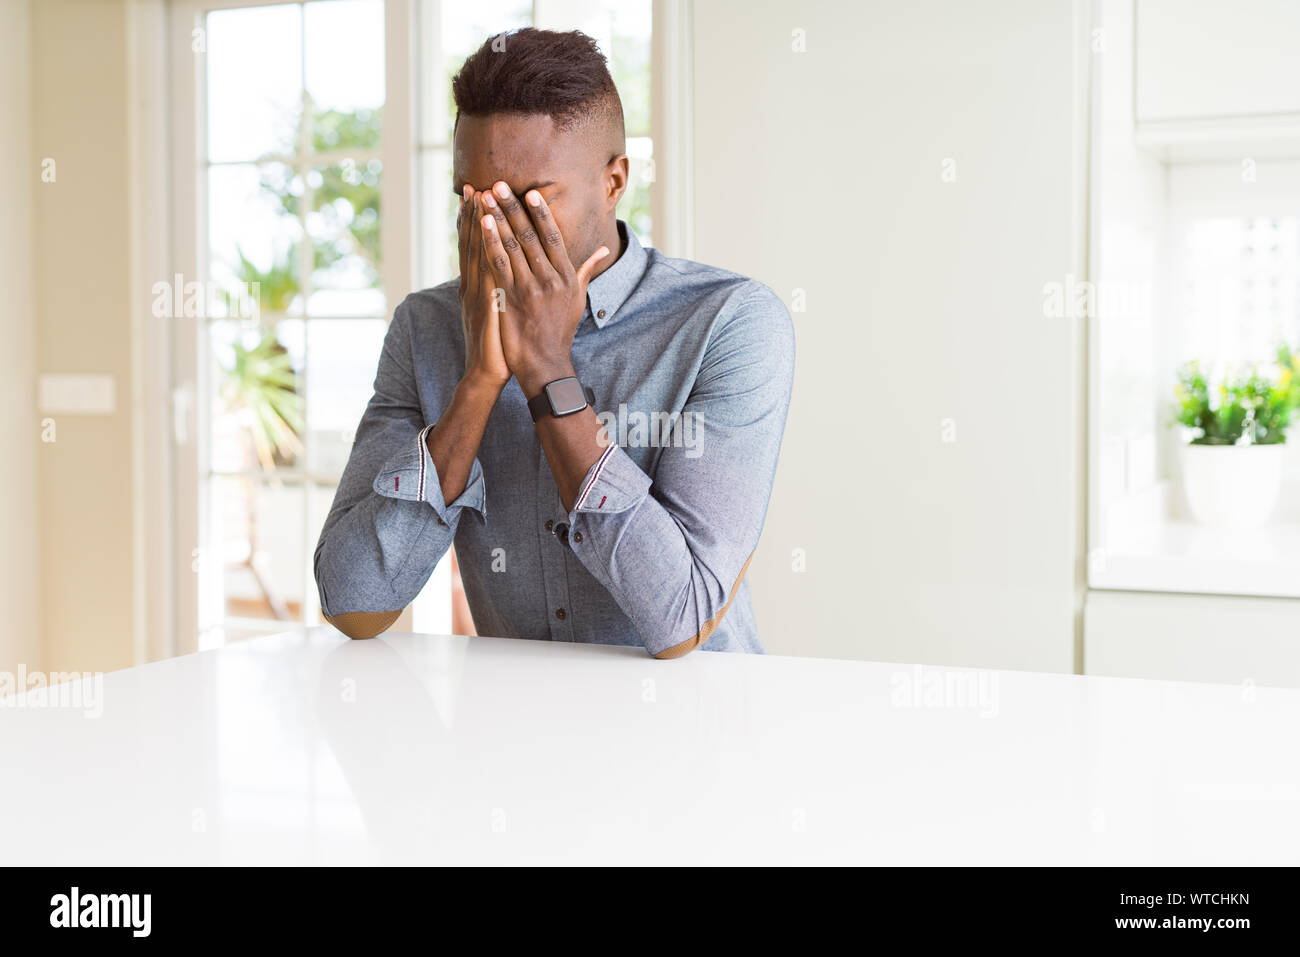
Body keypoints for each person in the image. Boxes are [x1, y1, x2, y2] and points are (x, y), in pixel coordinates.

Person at [313, 28, 794, 658]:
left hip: (693, 732)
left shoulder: (728, 323)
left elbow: (681, 619)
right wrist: (478, 385)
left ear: (614, 180)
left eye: (532, 198)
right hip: (516, 735)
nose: (495, 224)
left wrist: (545, 370)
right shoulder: (424, 328)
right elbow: (354, 604)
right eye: (474, 197)